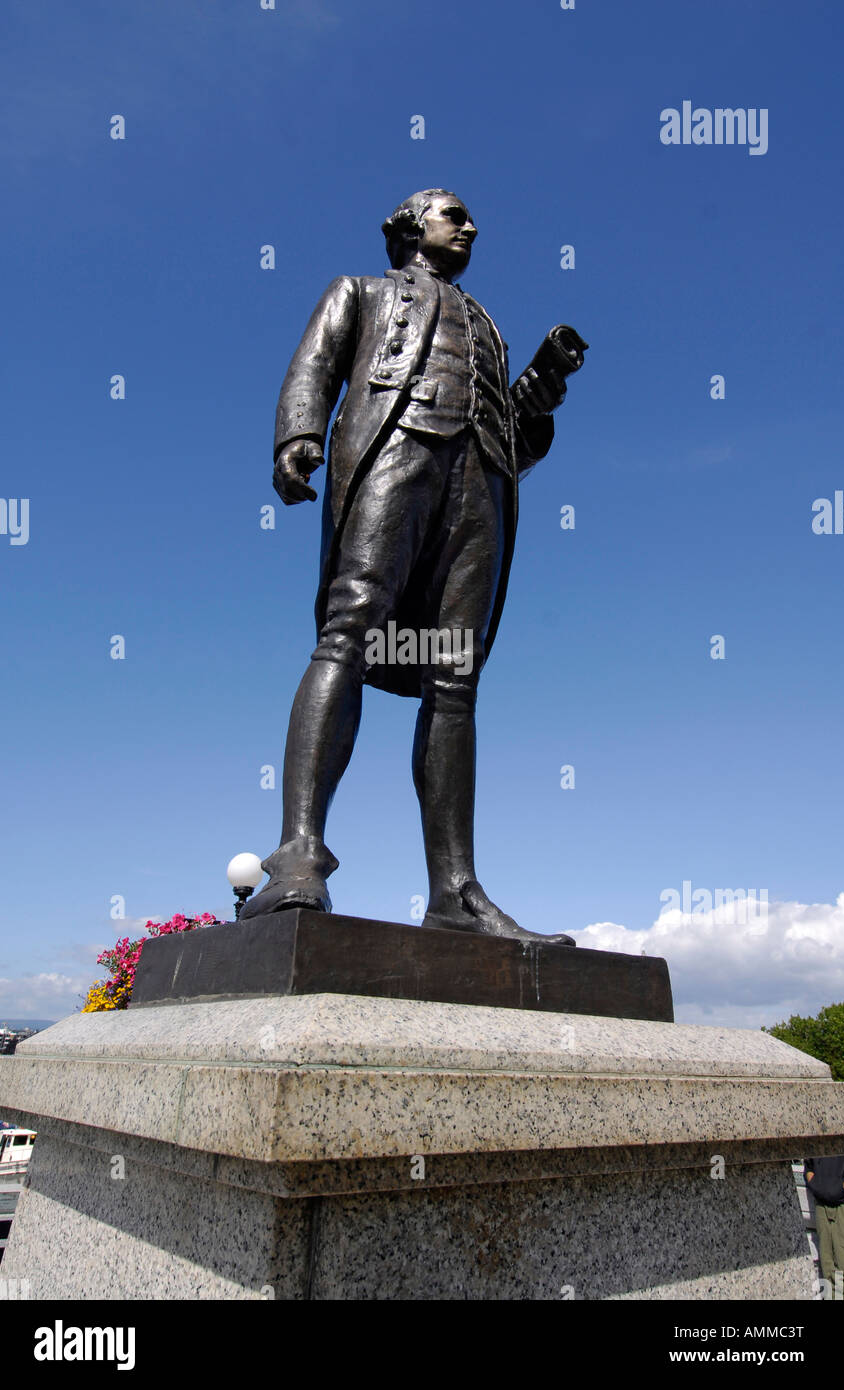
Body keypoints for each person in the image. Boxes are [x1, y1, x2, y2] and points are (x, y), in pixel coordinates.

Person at [243, 190, 587, 942]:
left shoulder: (487, 324)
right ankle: (299, 856)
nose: (469, 226)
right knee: (350, 628)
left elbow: (516, 436)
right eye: (451, 214)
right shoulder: (359, 292)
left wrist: (540, 393)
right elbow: (316, 366)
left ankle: (455, 894)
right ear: (408, 227)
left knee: (454, 677)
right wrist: (297, 434)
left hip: (482, 477)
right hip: (396, 450)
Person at [805, 1136, 844, 1298]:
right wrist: (815, 1184)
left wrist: (843, 1188)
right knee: (827, 1265)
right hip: (822, 1203)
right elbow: (808, 1162)